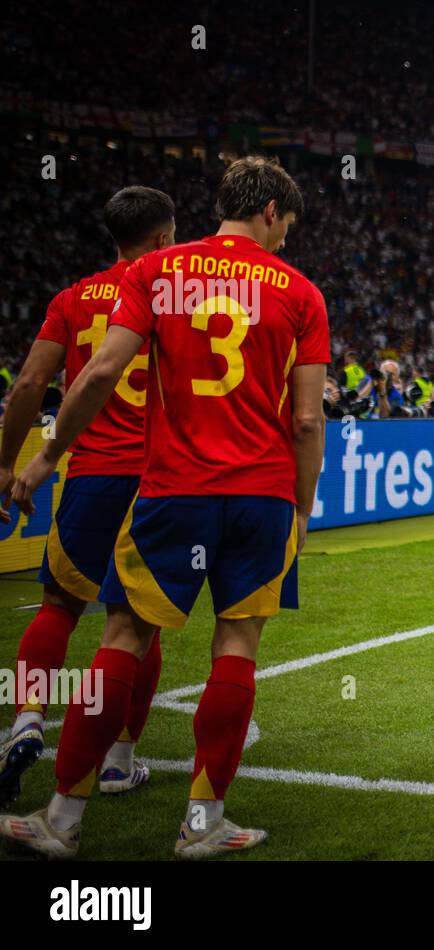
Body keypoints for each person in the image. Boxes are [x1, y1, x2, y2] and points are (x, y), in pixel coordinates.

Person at [0, 156, 329, 858]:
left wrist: (46, 456)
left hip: (172, 488)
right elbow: (306, 421)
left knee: (123, 636)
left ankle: (61, 819)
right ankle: (203, 825)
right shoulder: (300, 292)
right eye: (287, 227)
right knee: (236, 645)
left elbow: (98, 373)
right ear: (271, 210)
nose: (285, 240)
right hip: (261, 494)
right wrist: (302, 507)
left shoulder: (157, 271)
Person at [0, 187, 176, 809]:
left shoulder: (72, 299)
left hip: (90, 475)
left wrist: (7, 461)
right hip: (155, 480)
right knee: (138, 627)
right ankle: (118, 763)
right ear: (161, 240)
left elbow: (29, 382)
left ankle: (25, 716)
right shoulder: (172, 295)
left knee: (56, 607)